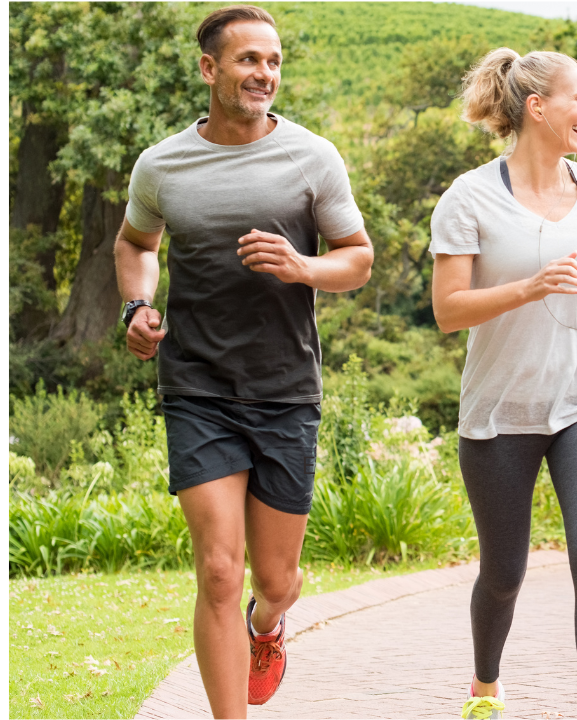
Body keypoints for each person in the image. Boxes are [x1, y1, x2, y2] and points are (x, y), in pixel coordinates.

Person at [115, 5, 373, 718]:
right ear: (210, 69)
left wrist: (300, 267)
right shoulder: (162, 164)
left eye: (274, 61)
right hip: (197, 385)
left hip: (286, 388)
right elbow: (136, 244)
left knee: (276, 579)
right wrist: (137, 308)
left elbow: (358, 259)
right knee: (220, 571)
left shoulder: (311, 156)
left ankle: (270, 624)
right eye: (249, 60)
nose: (265, 73)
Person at [429, 47, 577, 720]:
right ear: (538, 107)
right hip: (499, 411)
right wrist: (525, 286)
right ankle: (486, 687)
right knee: (503, 574)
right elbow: (447, 309)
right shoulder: (470, 197)